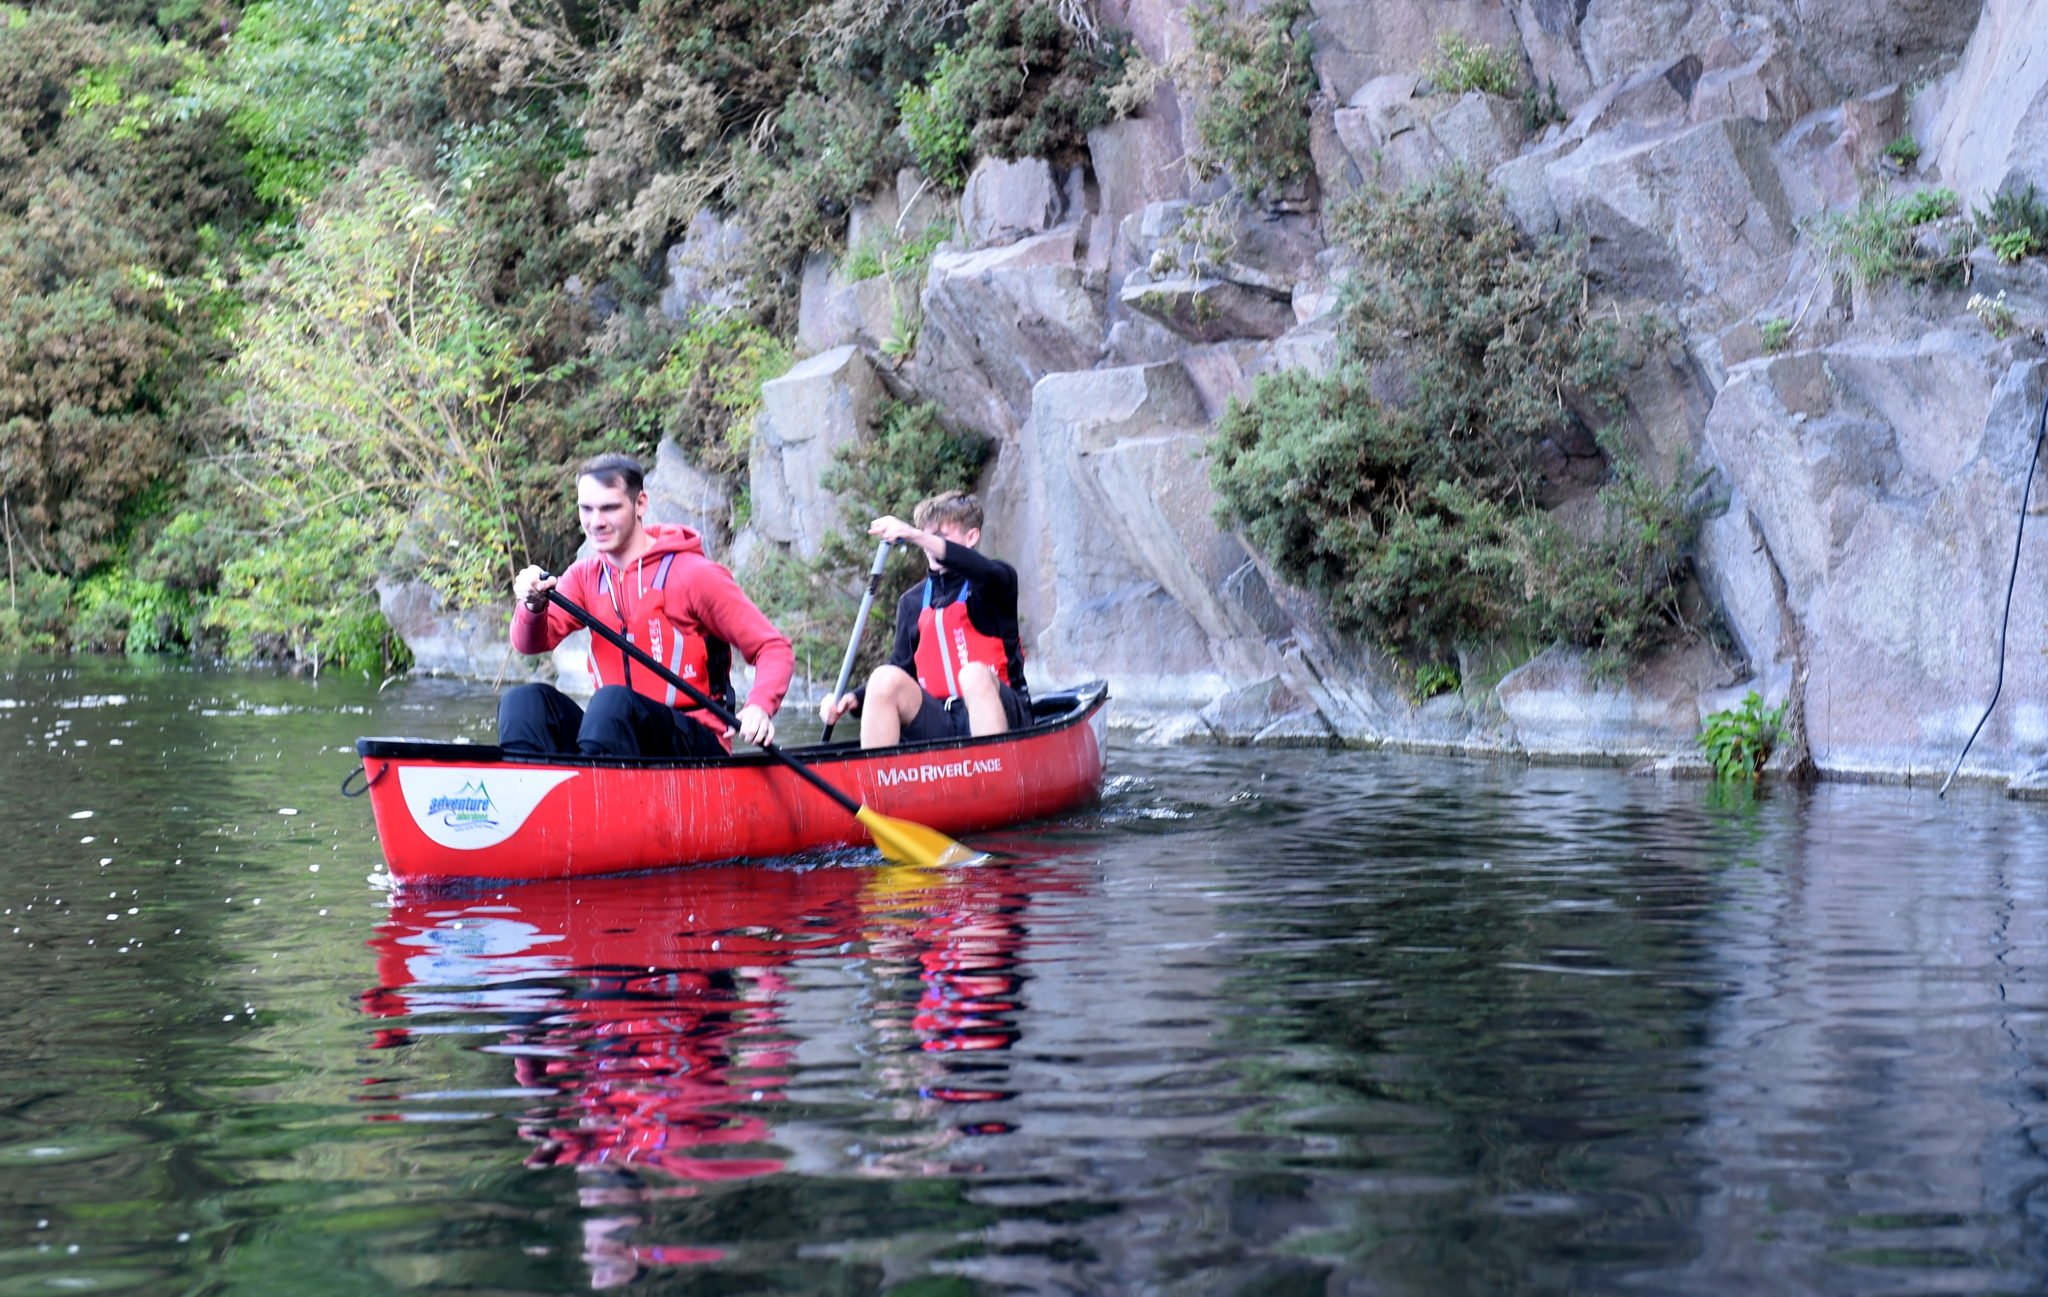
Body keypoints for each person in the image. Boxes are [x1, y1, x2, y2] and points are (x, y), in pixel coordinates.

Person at [499, 453, 792, 758]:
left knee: (612, 705)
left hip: (695, 742)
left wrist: (759, 705)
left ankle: (599, 788)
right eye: (586, 509)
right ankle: (533, 790)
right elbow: (529, 644)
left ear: (640, 504)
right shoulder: (585, 576)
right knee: (523, 702)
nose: (596, 521)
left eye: (609, 508)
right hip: (615, 733)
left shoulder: (694, 574)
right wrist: (532, 606)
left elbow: (772, 647)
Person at [818, 490, 1029, 748]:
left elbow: (980, 568)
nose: (928, 545)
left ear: (971, 537)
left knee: (973, 674)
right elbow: (902, 666)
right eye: (925, 534)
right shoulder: (912, 602)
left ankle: (995, 775)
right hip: (942, 719)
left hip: (1007, 717)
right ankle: (877, 783)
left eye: (939, 536)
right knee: (884, 677)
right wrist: (852, 698)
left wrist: (914, 535)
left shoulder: (997, 582)